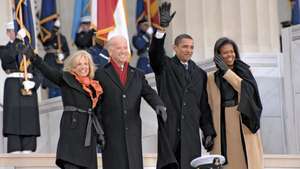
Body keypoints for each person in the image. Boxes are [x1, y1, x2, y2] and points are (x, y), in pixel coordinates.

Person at [148, 2, 216, 169]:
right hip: (170, 133)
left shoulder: (200, 74)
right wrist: (162, 30)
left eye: (191, 47)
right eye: (185, 46)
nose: (188, 50)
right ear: (175, 48)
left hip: (190, 135)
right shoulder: (164, 66)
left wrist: (208, 131)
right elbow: (154, 54)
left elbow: (203, 106)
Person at [94, 35, 167, 169]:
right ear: (110, 52)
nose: (123, 51)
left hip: (133, 133)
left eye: (125, 47)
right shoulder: (100, 74)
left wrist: (159, 105)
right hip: (111, 135)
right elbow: (96, 106)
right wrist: (99, 131)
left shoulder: (137, 74)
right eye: (118, 48)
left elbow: (149, 92)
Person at [27, 50, 105, 169]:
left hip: (88, 137)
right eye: (79, 64)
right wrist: (34, 58)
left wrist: (101, 133)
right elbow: (48, 71)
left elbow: (98, 113)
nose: (83, 67)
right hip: (71, 134)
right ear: (73, 67)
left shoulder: (95, 87)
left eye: (86, 64)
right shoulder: (66, 79)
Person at [207, 37, 264, 169]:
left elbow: (246, 91)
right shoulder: (211, 77)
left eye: (232, 51)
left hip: (243, 122)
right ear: (218, 56)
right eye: (225, 52)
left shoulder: (244, 72)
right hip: (222, 124)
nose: (230, 55)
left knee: (246, 161)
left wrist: (227, 72)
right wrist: (208, 131)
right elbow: (209, 105)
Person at [0, 21, 41, 154]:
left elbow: (39, 68)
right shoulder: (4, 49)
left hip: (28, 85)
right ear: (8, 33)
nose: (14, 33)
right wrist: (18, 41)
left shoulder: (29, 50)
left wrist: (35, 82)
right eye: (12, 31)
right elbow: (8, 58)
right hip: (13, 87)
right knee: (13, 127)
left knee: (29, 125)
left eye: (16, 31)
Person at [38, 19, 70, 98]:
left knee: (59, 84)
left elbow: (67, 51)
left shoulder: (62, 38)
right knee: (51, 85)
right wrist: (50, 30)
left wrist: (63, 55)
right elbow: (44, 40)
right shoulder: (45, 36)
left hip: (58, 63)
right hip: (49, 60)